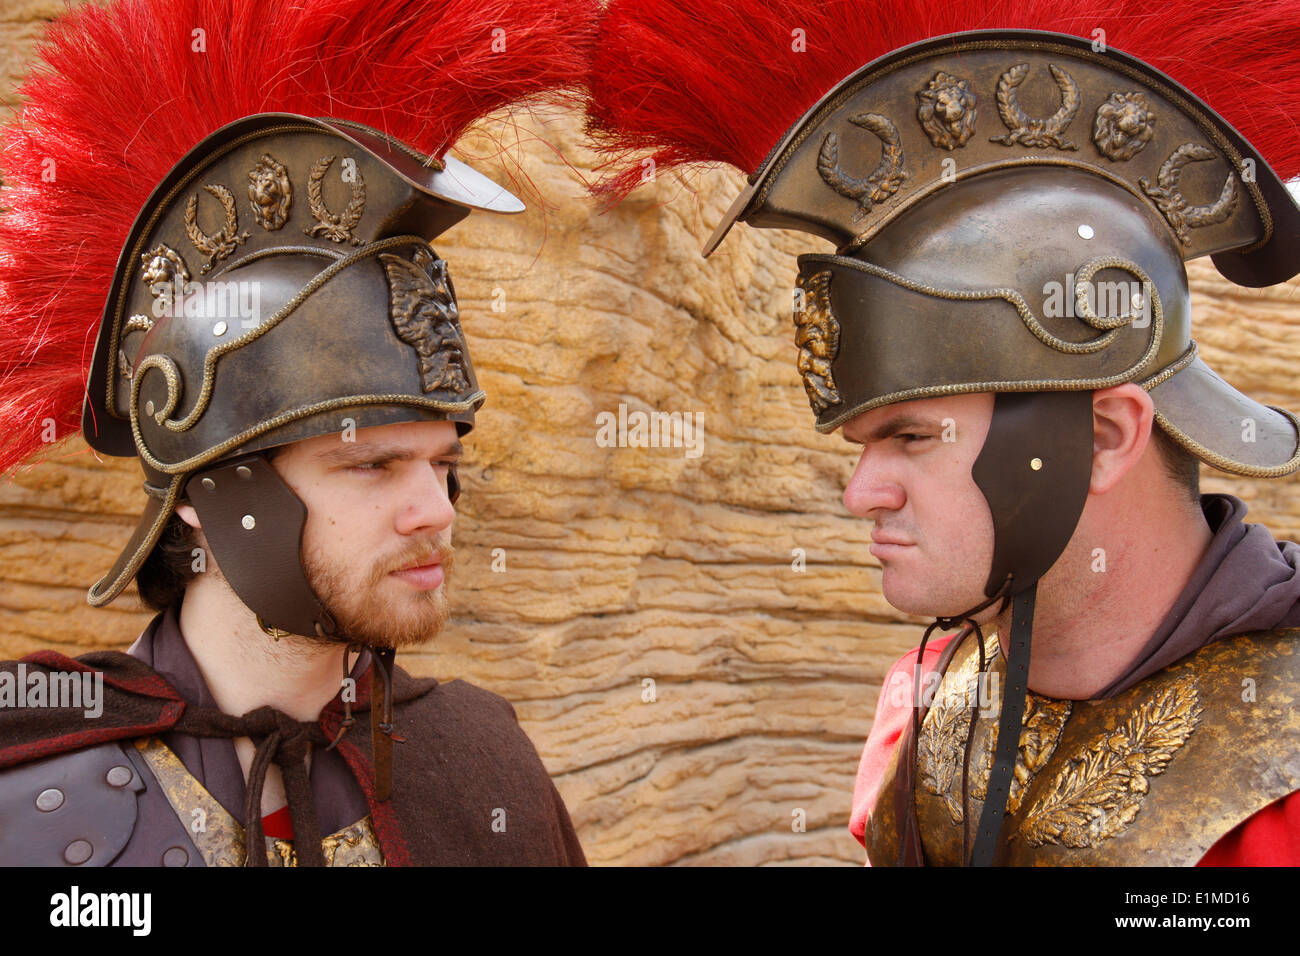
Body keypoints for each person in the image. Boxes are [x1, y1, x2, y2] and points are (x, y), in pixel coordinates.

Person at [583, 1, 1300, 863]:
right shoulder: (923, 713)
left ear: (1107, 436)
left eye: (914, 439)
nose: (861, 494)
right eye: (864, 446)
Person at [0, 0, 596, 866]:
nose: (434, 510)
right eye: (372, 464)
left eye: (444, 463)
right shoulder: (32, 801)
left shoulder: (481, 764)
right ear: (210, 487)